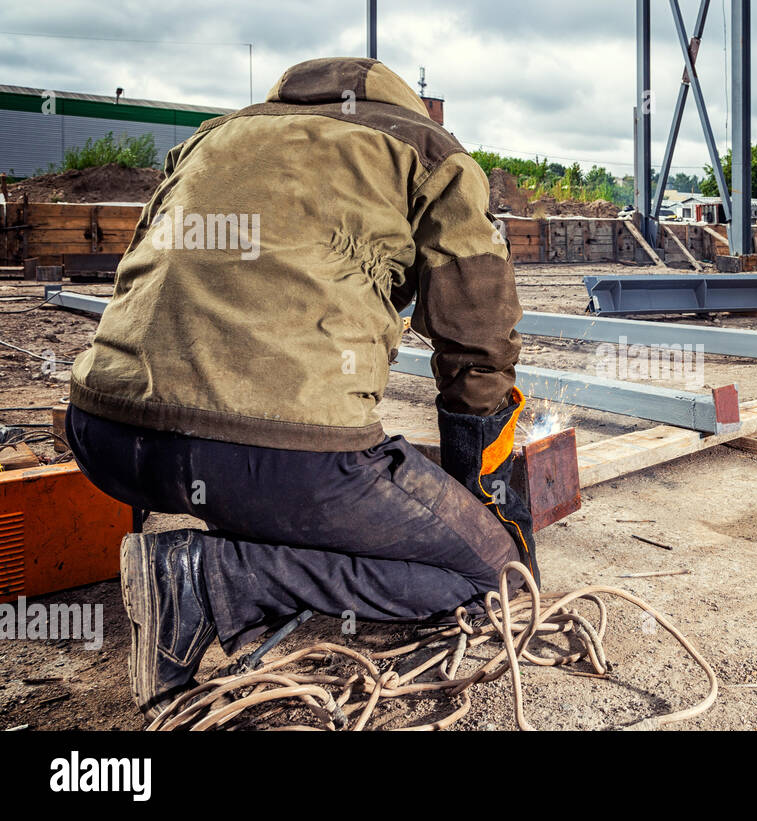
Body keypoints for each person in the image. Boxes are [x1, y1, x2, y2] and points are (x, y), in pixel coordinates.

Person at [64, 57, 537, 719]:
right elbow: (478, 345)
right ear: (407, 106)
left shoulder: (214, 137)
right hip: (278, 458)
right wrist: (485, 502)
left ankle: (183, 528)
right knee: (494, 577)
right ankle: (208, 580)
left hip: (103, 434)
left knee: (256, 468)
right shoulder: (428, 153)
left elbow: (142, 284)